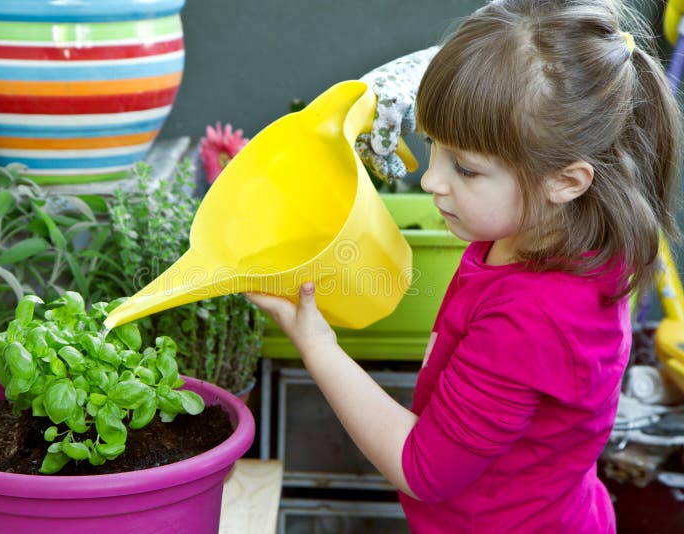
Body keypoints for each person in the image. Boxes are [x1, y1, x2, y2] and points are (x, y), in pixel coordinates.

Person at [245, 0, 682, 532]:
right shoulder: (558, 223)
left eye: (466, 168)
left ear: (566, 181)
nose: (431, 181)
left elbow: (421, 468)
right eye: (433, 146)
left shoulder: (533, 320)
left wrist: (315, 343)